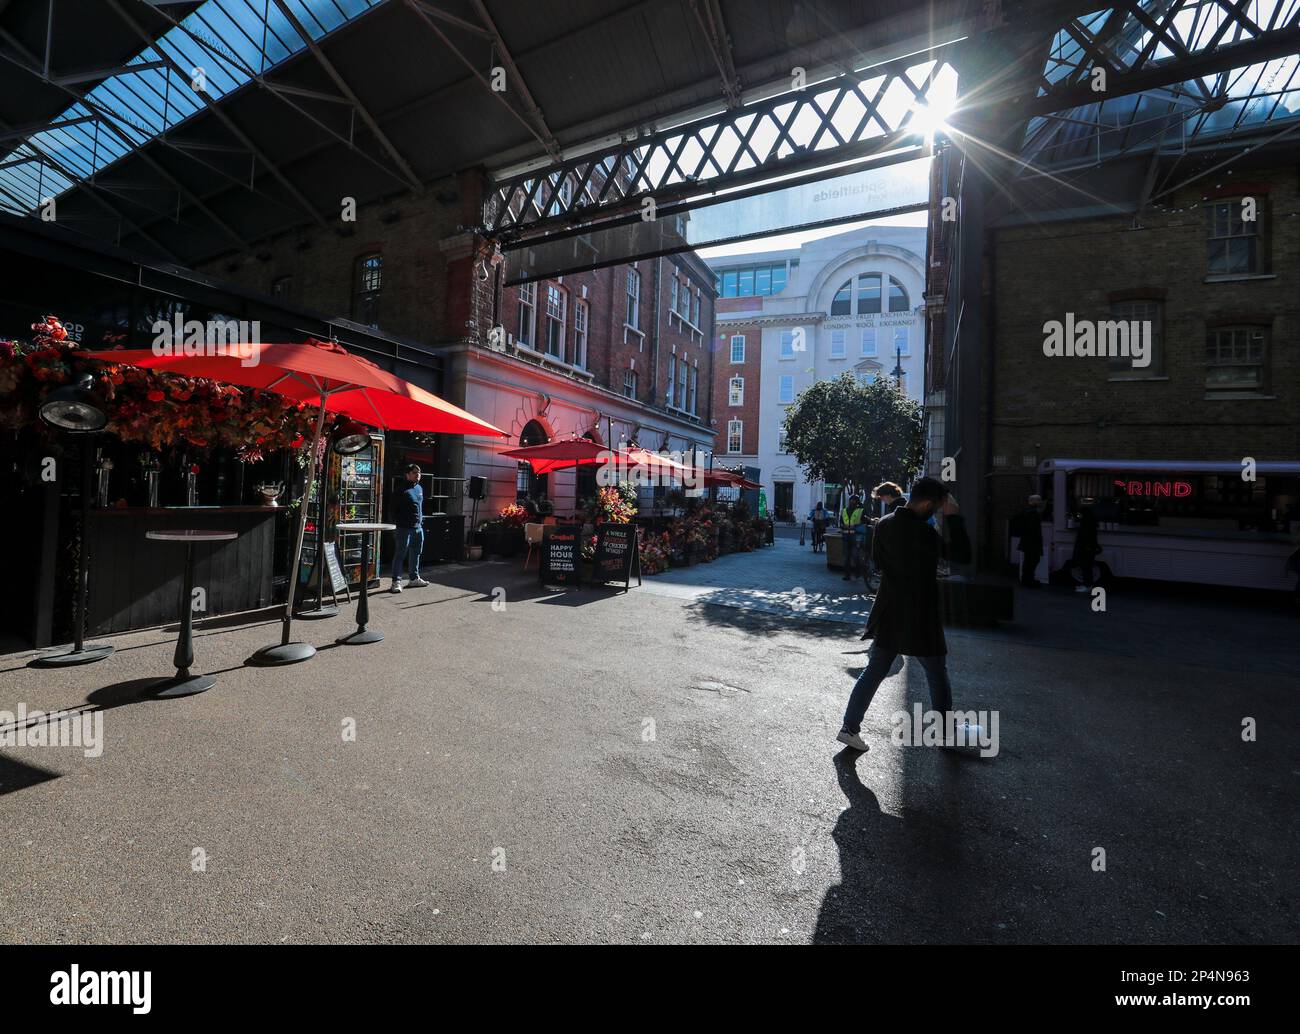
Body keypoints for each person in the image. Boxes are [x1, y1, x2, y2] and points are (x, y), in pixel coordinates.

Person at [837, 477, 972, 753]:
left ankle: (849, 727)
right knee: (936, 674)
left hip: (889, 609)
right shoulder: (923, 532)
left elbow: (878, 563)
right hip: (920, 613)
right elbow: (961, 555)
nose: (936, 512)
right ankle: (945, 733)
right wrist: (954, 518)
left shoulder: (884, 524)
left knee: (875, 670)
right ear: (926, 503)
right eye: (936, 507)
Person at [391, 463, 429, 593]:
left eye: (419, 473)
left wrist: (420, 521)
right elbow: (393, 510)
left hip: (418, 527)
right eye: (414, 473)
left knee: (416, 553)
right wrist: (397, 524)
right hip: (403, 528)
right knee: (400, 554)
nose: (418, 475)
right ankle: (396, 582)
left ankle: (414, 578)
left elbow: (419, 506)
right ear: (407, 475)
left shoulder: (419, 488)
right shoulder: (400, 490)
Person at [1067, 501, 1101, 593]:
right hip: (1089, 548)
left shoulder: (1086, 523)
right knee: (1087, 567)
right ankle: (1087, 585)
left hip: (1085, 548)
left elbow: (1085, 537)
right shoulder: (1090, 523)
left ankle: (1087, 585)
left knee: (1085, 567)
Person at [1013, 494, 1045, 588]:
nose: (1040, 502)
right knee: (1032, 560)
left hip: (1027, 541)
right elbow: (1032, 529)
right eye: (1039, 500)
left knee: (1029, 560)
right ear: (1034, 502)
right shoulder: (1033, 513)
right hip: (1032, 542)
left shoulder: (1027, 511)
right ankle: (1028, 580)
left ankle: (1027, 579)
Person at [839, 494, 865, 580]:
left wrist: (855, 526)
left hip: (856, 536)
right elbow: (841, 523)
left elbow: (864, 522)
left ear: (857, 502)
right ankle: (847, 575)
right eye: (851, 500)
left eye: (854, 501)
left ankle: (857, 571)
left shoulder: (861, 511)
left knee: (855, 555)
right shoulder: (844, 511)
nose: (852, 502)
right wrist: (843, 526)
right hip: (846, 536)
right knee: (846, 556)